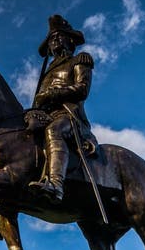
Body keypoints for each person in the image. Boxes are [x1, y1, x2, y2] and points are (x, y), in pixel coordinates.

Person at [27, 14, 95, 203]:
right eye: (51, 38)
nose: (55, 40)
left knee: (53, 130)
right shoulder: (47, 72)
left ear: (70, 40)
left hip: (69, 117)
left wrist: (51, 94)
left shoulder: (80, 60)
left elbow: (82, 90)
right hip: (47, 115)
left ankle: (56, 184)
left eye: (59, 36)